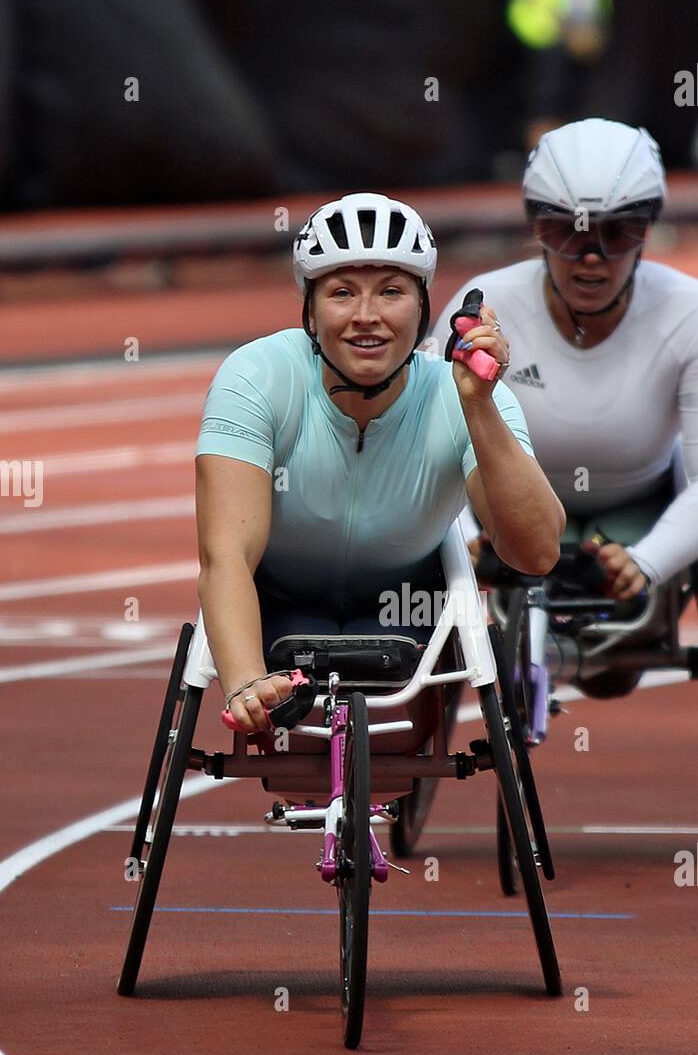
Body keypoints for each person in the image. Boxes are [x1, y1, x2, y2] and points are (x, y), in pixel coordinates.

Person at [195, 192, 565, 732]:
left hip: (408, 612)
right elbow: (223, 555)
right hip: (277, 608)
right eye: (342, 293)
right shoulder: (256, 377)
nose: (366, 317)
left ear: (423, 309)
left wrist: (479, 406)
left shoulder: (459, 392)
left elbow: (534, 552)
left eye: (391, 292)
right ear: (310, 312)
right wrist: (248, 680)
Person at [434, 118, 698, 694]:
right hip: (510, 511)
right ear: (536, 228)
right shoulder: (484, 306)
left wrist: (650, 561)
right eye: (565, 232)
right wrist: (459, 539)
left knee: (612, 667)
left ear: (648, 229)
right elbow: (431, 446)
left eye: (620, 231)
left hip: (634, 512)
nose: (591, 258)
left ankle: (599, 637)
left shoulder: (696, 312)